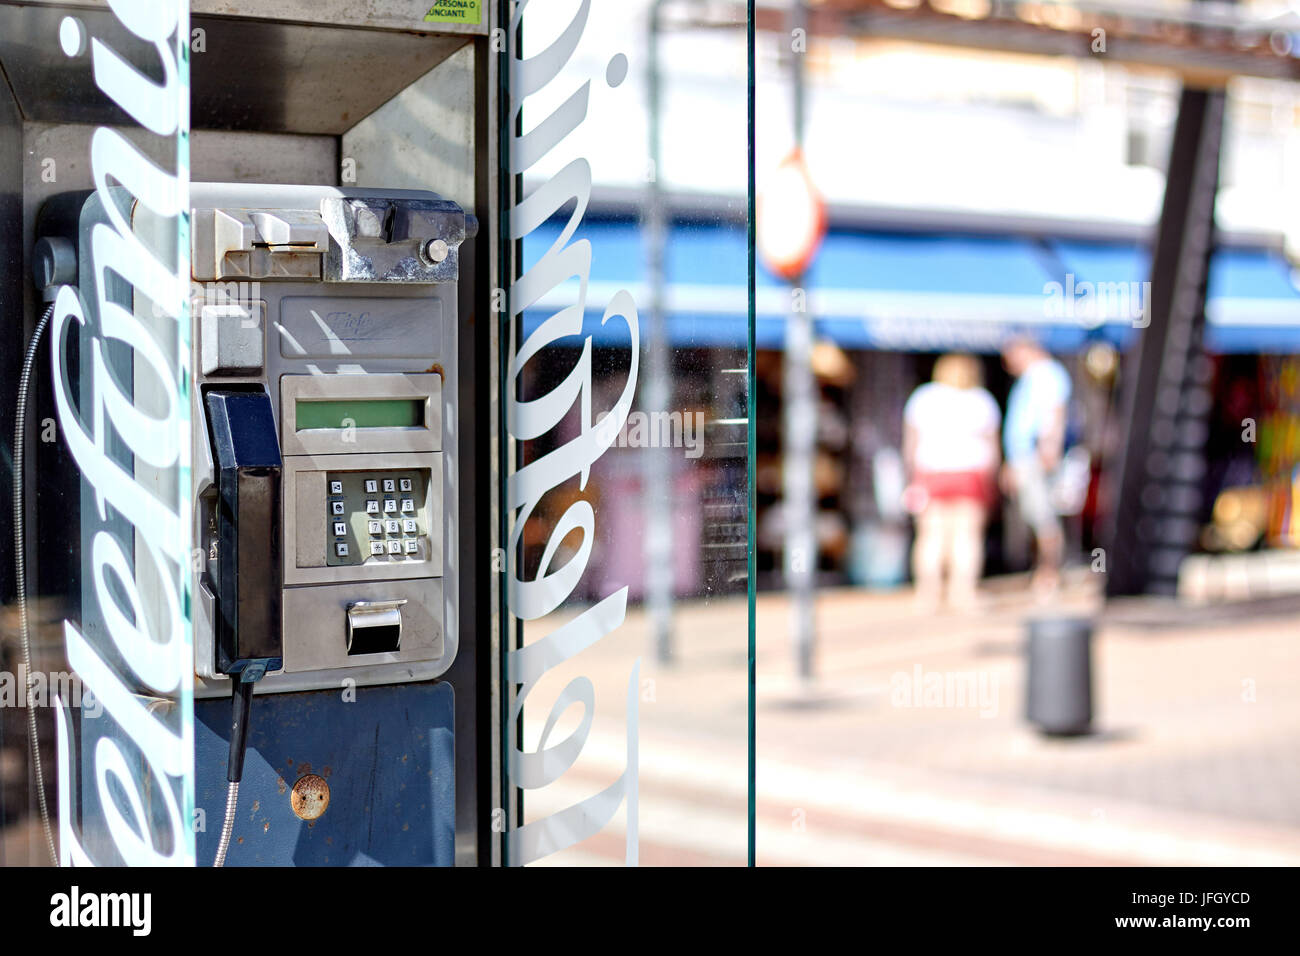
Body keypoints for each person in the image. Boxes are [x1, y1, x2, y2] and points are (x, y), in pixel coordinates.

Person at [902, 354, 1001, 610]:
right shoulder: (982, 401)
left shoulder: (923, 398)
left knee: (930, 537)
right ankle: (963, 593)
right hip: (970, 475)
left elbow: (910, 445)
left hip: (931, 474)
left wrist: (912, 476)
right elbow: (992, 448)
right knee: (966, 537)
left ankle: (927, 596)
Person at [1000, 336, 1072, 594]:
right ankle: (1041, 571)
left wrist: (1048, 448)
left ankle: (1049, 573)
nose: (1008, 364)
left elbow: (1054, 412)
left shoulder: (1048, 374)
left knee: (1044, 518)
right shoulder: (1032, 377)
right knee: (1035, 517)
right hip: (1025, 457)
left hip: (1036, 457)